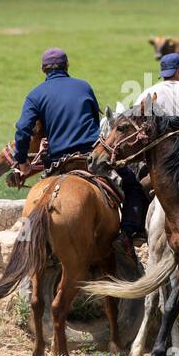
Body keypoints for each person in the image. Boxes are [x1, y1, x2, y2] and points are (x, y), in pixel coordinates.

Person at [14, 48, 147, 245]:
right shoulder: (84, 87)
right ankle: (128, 236)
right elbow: (94, 121)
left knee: (34, 201)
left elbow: (23, 129)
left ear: (43, 69)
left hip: (58, 161)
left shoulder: (35, 95)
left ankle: (25, 243)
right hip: (90, 157)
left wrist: (22, 161)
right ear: (67, 65)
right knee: (133, 187)